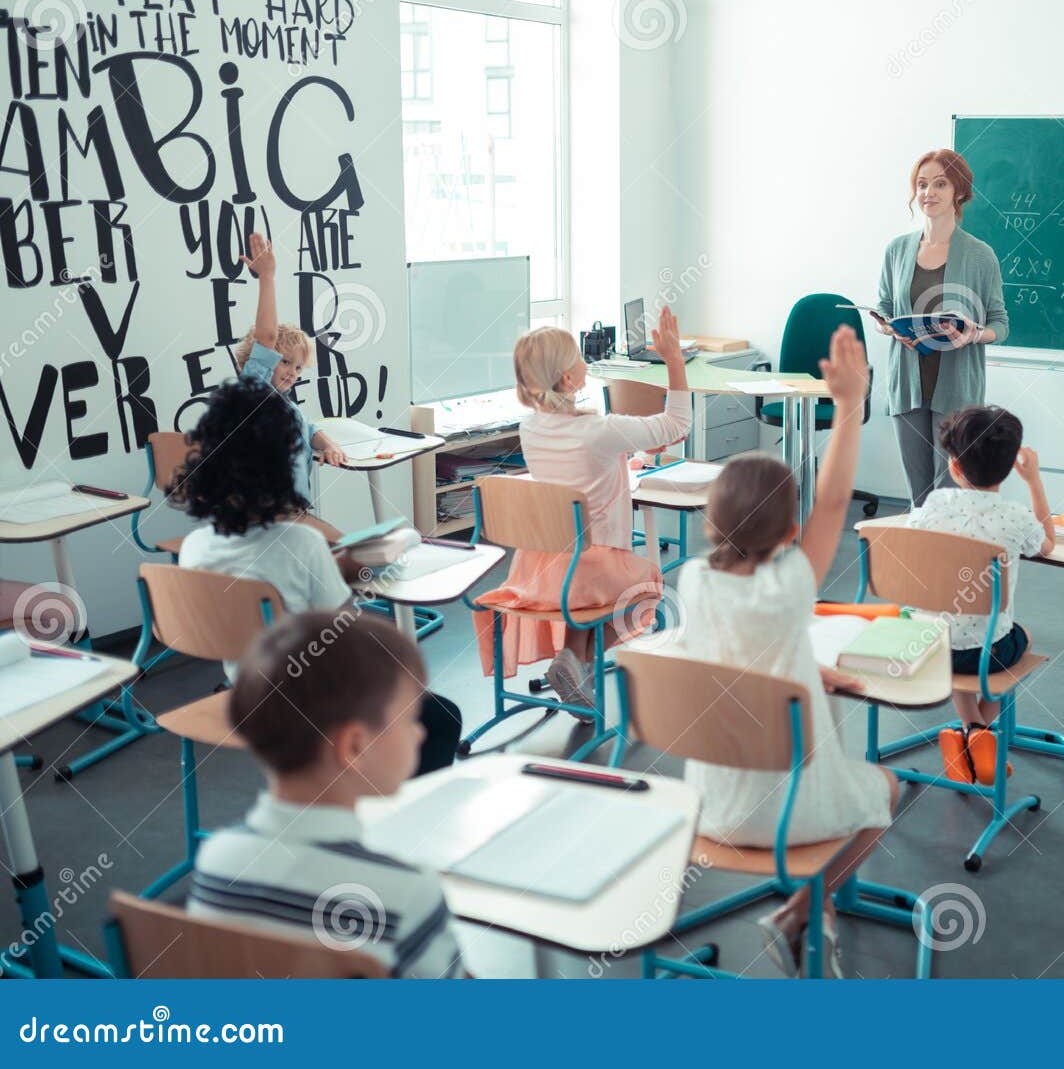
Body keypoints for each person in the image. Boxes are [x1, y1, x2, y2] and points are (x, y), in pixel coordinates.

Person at [672, 327, 897, 977]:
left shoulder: (691, 581)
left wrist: (807, 670)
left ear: (713, 520)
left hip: (708, 806)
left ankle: (803, 907)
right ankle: (804, 905)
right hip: (787, 811)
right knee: (887, 784)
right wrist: (850, 406)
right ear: (792, 531)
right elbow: (833, 500)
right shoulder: (790, 587)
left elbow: (749, 652)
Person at [172, 380, 462, 773]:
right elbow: (344, 630)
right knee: (441, 717)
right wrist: (345, 572)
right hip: (307, 702)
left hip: (244, 690)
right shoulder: (302, 544)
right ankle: (398, 817)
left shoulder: (194, 547)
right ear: (283, 467)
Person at [188, 611, 468, 978]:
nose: (419, 734)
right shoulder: (408, 892)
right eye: (410, 719)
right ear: (354, 747)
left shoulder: (216, 858)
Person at [471, 308, 689, 716]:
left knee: (583, 578)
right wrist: (675, 361)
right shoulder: (600, 431)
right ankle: (580, 664)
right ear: (568, 379)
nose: (586, 364)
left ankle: (572, 664)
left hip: (541, 565)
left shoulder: (530, 428)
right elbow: (677, 424)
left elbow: (578, 468)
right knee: (648, 587)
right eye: (579, 358)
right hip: (595, 563)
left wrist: (625, 460)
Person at [901, 405, 1054, 783]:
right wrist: (1034, 481)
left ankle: (968, 728)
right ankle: (977, 734)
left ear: (954, 467)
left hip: (925, 646)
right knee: (1020, 636)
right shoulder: (1015, 517)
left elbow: (909, 540)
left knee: (954, 632)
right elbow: (1047, 543)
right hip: (985, 656)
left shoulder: (932, 505)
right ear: (1008, 468)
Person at [876, 149, 1008, 507]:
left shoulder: (981, 255)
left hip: (958, 390)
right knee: (920, 497)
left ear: (959, 192)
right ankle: (921, 561)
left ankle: (948, 561)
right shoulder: (896, 250)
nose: (928, 193)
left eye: (940, 184)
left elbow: (1000, 323)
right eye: (921, 185)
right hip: (908, 385)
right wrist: (889, 328)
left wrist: (973, 335)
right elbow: (886, 306)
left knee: (948, 497)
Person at [233, 232, 347, 501]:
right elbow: (268, 336)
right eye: (285, 362)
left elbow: (310, 428)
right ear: (260, 358)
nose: (292, 373)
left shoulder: (284, 405)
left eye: (298, 368)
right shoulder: (253, 390)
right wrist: (267, 277)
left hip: (294, 511)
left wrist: (330, 445)